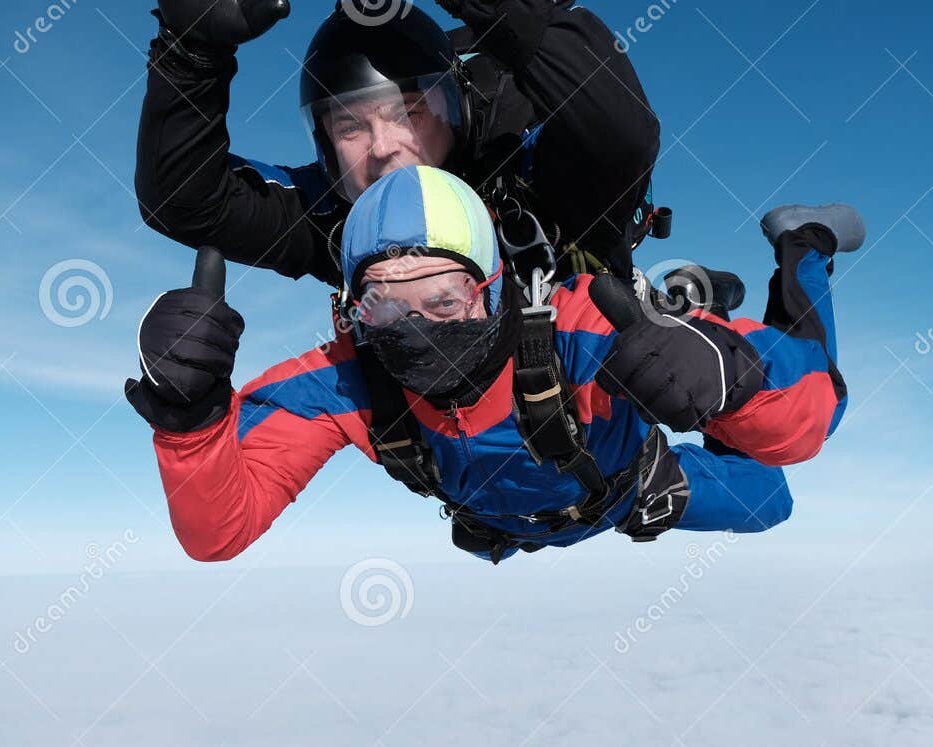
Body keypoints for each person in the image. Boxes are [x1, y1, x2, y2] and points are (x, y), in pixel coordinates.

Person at [126, 166, 860, 563]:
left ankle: (804, 246)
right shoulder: (345, 381)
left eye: (444, 295)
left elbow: (812, 416)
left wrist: (729, 375)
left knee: (776, 483)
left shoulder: (580, 325)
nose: (417, 324)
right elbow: (218, 532)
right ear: (350, 308)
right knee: (770, 492)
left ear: (494, 285)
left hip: (632, 485)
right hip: (559, 511)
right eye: (385, 303)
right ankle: (701, 306)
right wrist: (192, 421)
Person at [127, 0, 663, 293]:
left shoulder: (530, 174)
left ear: (456, 111)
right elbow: (181, 200)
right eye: (349, 126)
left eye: (408, 112)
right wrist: (191, 56)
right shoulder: (340, 219)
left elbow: (623, 135)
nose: (383, 146)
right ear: (325, 145)